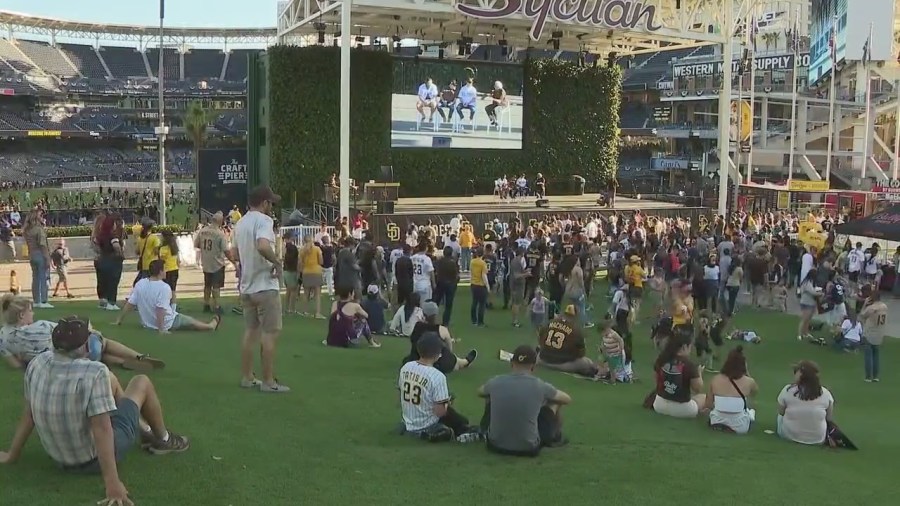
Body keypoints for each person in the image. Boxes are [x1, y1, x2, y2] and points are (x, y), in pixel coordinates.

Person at [0, 318, 188, 506]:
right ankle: (163, 439)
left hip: (59, 458)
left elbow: (29, 413)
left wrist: (12, 454)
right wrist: (112, 483)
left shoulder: (37, 363)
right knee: (141, 382)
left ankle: (144, 429)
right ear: (86, 346)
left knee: (111, 380)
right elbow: (102, 429)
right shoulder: (95, 372)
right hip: (90, 460)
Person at [0, 294, 163, 372]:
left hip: (63, 363)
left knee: (96, 353)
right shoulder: (41, 326)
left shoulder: (3, 337)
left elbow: (16, 365)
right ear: (21, 315)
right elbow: (74, 330)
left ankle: (121, 363)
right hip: (82, 352)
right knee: (100, 341)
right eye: (30, 311)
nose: (33, 313)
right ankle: (138, 356)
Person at [231, 186, 288, 392]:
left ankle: (247, 377)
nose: (271, 206)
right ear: (264, 203)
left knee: (250, 332)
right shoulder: (264, 221)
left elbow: (234, 253)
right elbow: (263, 245)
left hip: (247, 287)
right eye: (270, 203)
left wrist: (246, 264)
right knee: (270, 333)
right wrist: (277, 262)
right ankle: (268, 381)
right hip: (265, 286)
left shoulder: (240, 223)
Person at [478, 345, 570, 456]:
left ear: (512, 364)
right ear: (533, 367)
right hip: (528, 448)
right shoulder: (539, 385)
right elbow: (566, 399)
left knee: (489, 395)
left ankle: (486, 430)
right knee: (554, 402)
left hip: (495, 446)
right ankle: (555, 437)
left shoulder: (496, 381)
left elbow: (480, 392)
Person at [397, 334, 478, 442]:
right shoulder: (437, 376)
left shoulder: (406, 367)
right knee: (461, 421)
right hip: (427, 423)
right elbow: (440, 412)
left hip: (408, 419)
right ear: (438, 354)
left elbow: (401, 392)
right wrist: (447, 403)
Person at [115, 260, 221, 333]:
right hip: (167, 322)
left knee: (186, 319)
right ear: (160, 271)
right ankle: (210, 326)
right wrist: (161, 329)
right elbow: (160, 309)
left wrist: (119, 320)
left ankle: (208, 325)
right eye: (164, 269)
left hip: (148, 323)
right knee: (190, 321)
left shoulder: (140, 283)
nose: (166, 271)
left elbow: (130, 304)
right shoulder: (164, 287)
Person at [404, 301, 476, 374]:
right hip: (436, 363)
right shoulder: (442, 330)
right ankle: (464, 362)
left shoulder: (417, 326)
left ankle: (461, 361)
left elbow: (413, 341)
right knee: (452, 359)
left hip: (416, 358)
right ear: (436, 314)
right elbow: (449, 349)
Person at [777, 361, 834, 445]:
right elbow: (829, 418)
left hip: (789, 436)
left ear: (801, 374)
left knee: (780, 417)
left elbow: (781, 412)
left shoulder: (788, 390)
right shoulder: (826, 393)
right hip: (818, 439)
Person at [703, 346, 758, 434]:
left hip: (716, 421)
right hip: (739, 426)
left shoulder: (716, 379)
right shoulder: (749, 382)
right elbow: (754, 393)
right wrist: (746, 372)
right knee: (751, 409)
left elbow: (708, 404)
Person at [652, 332, 706, 418]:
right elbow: (698, 388)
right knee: (704, 397)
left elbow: (656, 379)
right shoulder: (689, 365)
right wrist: (699, 373)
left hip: (659, 405)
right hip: (682, 410)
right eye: (690, 347)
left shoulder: (662, 359)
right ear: (684, 347)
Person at [537, 305, 598, 376]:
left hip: (542, 360)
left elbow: (540, 338)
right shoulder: (575, 330)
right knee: (587, 362)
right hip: (563, 364)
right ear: (575, 316)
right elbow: (581, 353)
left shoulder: (550, 323)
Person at [195, 212, 232, 314]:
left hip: (206, 262)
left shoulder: (202, 231)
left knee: (207, 285)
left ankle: (206, 304)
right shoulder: (220, 234)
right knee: (216, 286)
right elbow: (226, 250)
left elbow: (197, 244)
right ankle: (217, 306)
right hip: (217, 263)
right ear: (220, 221)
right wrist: (233, 260)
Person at [95, 214, 126, 311]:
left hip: (102, 260)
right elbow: (116, 246)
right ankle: (111, 303)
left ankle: (103, 301)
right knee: (113, 282)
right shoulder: (113, 236)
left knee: (103, 282)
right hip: (113, 261)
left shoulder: (100, 235)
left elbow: (96, 247)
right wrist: (121, 254)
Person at [22, 210, 52, 309]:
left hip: (32, 255)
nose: (42, 217)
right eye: (40, 215)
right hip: (40, 254)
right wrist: (47, 257)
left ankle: (36, 300)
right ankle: (43, 300)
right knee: (43, 277)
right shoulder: (38, 229)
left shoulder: (27, 230)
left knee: (35, 278)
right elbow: (42, 245)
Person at [858, 290, 887, 382]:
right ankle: (875, 376)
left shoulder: (871, 308)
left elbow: (861, 315)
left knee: (868, 355)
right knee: (876, 355)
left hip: (869, 333)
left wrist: (865, 304)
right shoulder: (884, 307)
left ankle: (868, 377)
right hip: (879, 333)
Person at [299, 235, 325, 318]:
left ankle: (305, 311)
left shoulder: (302, 250)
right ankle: (317, 313)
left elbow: (300, 263)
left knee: (306, 293)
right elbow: (321, 261)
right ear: (312, 240)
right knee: (317, 294)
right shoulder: (317, 249)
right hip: (316, 271)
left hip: (306, 272)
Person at [134, 218, 160, 285]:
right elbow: (156, 251)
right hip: (153, 265)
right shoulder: (154, 238)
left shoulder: (140, 238)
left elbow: (137, 252)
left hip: (144, 265)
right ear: (151, 228)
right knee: (153, 284)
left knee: (144, 283)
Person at [158, 230, 180, 306]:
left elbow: (161, 260)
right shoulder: (175, 247)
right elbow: (178, 260)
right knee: (173, 290)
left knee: (166, 290)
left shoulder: (163, 248)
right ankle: (173, 307)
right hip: (175, 269)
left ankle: (166, 305)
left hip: (166, 271)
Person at [469, 247, 489, 327]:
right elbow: (484, 275)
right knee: (482, 304)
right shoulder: (483, 263)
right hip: (481, 285)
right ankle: (480, 322)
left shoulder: (472, 262)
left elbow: (471, 271)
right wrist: (487, 286)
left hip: (473, 284)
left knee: (474, 302)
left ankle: (474, 320)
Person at [282, 234, 300, 314]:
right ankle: (292, 309)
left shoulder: (284, 247)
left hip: (285, 270)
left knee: (288, 290)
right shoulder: (292, 248)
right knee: (293, 290)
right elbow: (295, 259)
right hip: (291, 270)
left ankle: (286, 308)